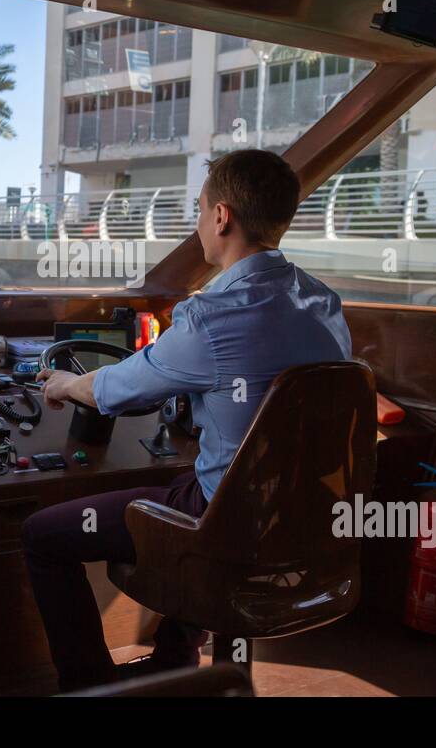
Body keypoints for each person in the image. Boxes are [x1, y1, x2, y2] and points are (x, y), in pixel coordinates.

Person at [23, 149, 353, 692]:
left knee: (43, 535)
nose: (198, 223)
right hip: (303, 520)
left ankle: (91, 686)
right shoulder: (324, 303)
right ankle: (176, 658)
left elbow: (119, 388)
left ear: (222, 217)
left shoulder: (212, 315)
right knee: (190, 483)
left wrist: (61, 384)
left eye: (200, 210)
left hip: (227, 525)